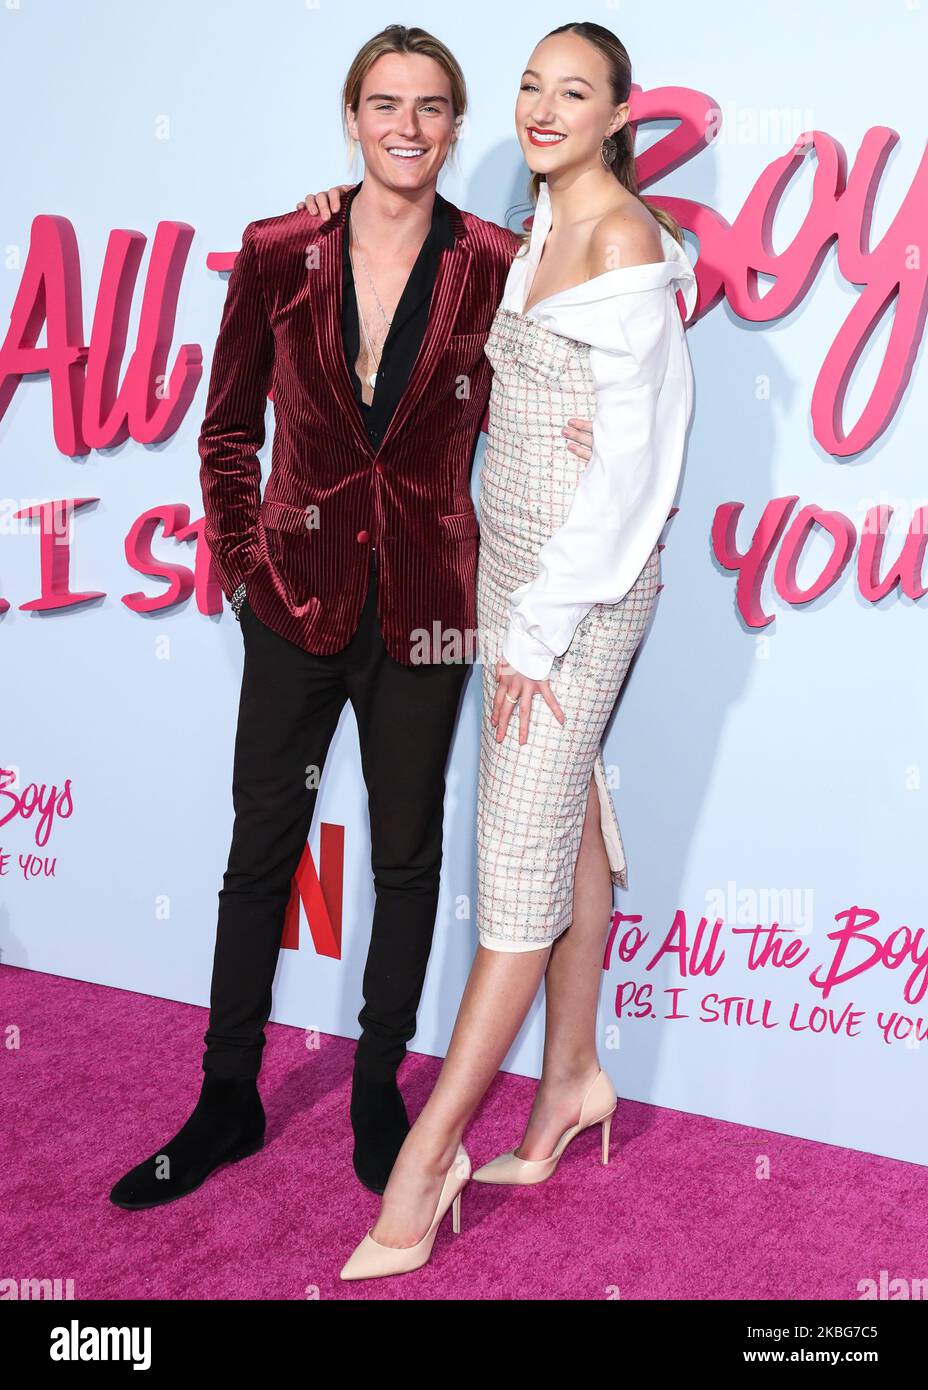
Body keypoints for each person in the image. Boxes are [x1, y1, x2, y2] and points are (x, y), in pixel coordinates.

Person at [108, 24, 594, 1211]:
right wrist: (243, 569)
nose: (407, 128)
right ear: (351, 115)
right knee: (257, 853)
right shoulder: (279, 250)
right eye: (386, 105)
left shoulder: (496, 258)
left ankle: (381, 1090)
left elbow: (602, 297)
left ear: (454, 123)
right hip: (294, 597)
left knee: (407, 853)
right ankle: (230, 1094)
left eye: (431, 108)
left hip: (430, 604)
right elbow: (226, 430)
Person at [323, 21, 699, 1279]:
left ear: (617, 112)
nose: (542, 108)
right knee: (569, 816)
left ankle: (428, 1159)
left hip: (575, 603)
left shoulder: (620, 240)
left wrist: (538, 631)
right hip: (515, 576)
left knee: (517, 876)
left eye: (572, 91)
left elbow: (638, 475)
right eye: (531, 86)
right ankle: (574, 1077)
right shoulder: (542, 222)